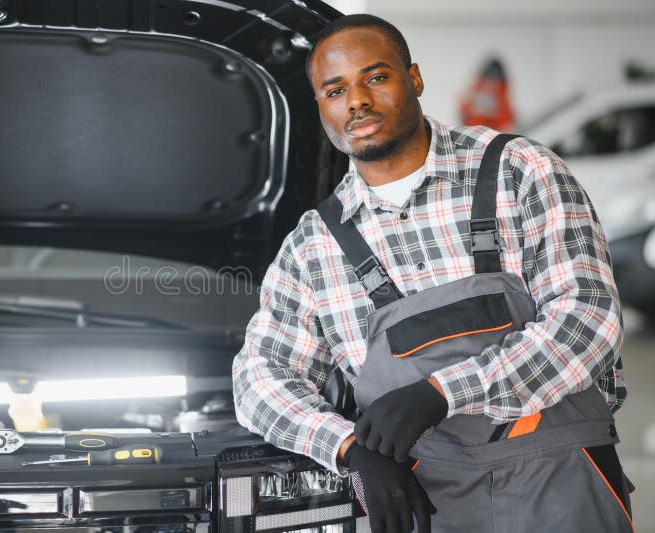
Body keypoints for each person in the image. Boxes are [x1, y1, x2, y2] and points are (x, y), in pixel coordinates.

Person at [232, 13, 633, 533]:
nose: (356, 101)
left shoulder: (521, 171)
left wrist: (443, 392)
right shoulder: (315, 246)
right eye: (335, 90)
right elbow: (259, 379)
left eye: (375, 77)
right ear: (321, 107)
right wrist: (348, 449)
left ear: (414, 78)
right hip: (424, 502)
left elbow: (587, 320)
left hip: (563, 483)